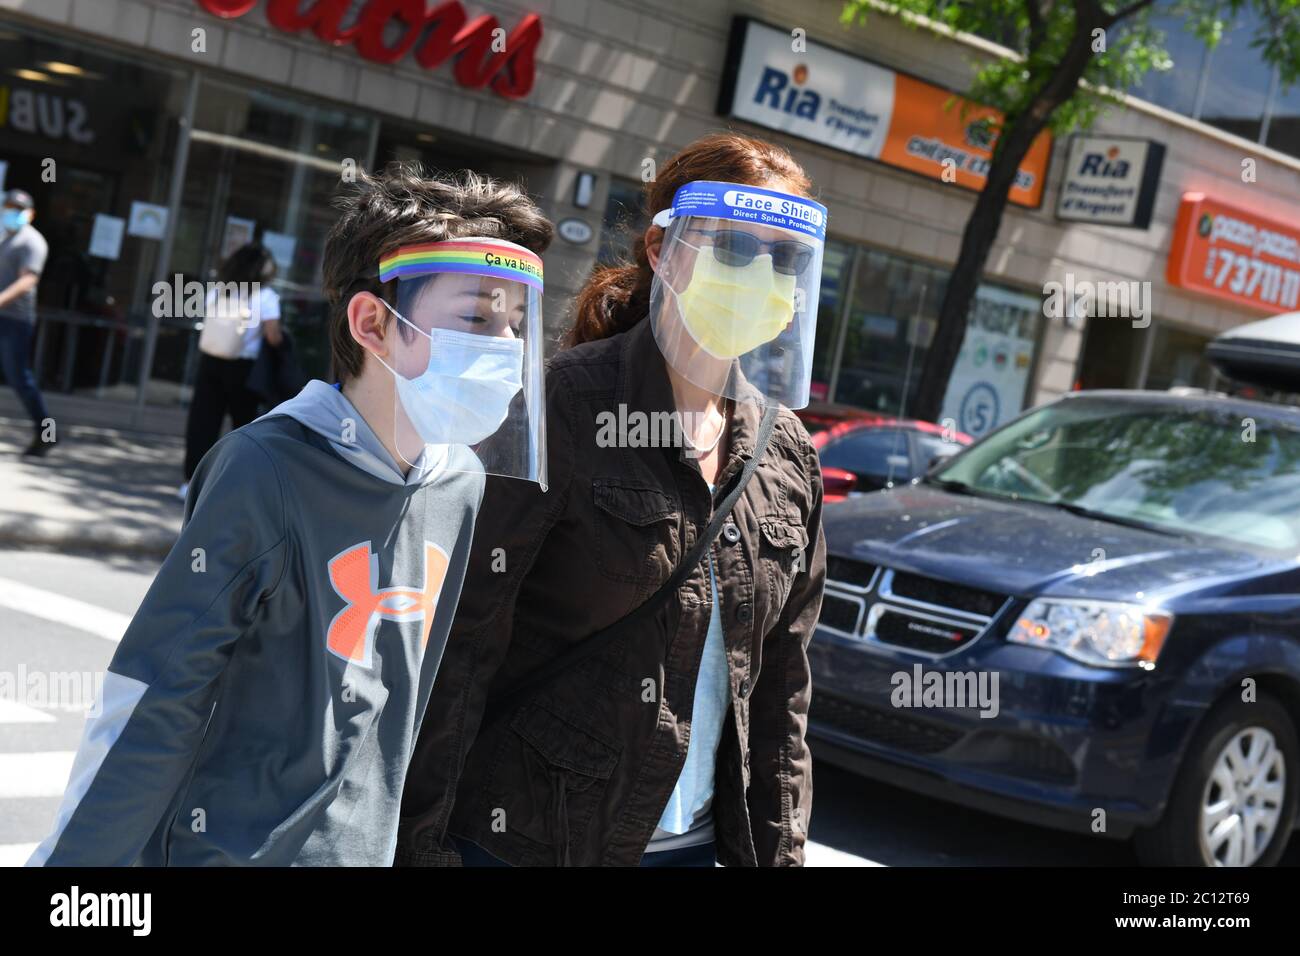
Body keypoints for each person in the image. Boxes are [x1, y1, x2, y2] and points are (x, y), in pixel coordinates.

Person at [27, 162, 553, 866]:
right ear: (372, 322)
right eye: (476, 318)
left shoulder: (458, 479)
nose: (505, 348)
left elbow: (412, 704)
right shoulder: (264, 468)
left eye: (515, 323)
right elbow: (160, 692)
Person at [397, 133, 828, 867]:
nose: (760, 275)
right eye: (732, 245)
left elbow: (781, 689)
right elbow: (459, 639)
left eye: (783, 256)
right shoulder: (563, 403)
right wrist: (419, 846)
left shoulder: (786, 452)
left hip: (692, 848)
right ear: (664, 251)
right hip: (529, 839)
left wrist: (780, 855)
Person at [179, 241, 284, 499]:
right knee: (244, 426)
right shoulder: (266, 297)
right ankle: (237, 483)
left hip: (211, 360)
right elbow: (273, 337)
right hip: (244, 368)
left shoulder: (218, 291)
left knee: (203, 423)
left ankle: (191, 482)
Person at [0, 188, 52, 457]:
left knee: (19, 378)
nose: (12, 212)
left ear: (30, 214)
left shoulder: (32, 242)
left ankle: (46, 433)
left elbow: (28, 280)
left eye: (18, 209)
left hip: (15, 321)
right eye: (9, 206)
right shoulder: (4, 237)